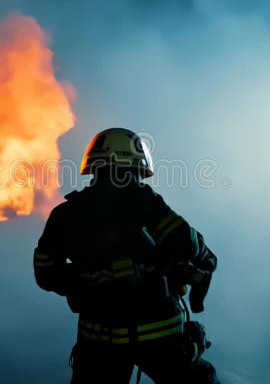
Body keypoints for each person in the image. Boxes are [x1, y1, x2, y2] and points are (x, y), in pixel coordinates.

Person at [33, 127, 220, 384]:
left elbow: (45, 273)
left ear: (95, 167)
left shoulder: (66, 215)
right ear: (134, 170)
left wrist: (89, 280)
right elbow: (186, 242)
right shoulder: (147, 205)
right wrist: (203, 258)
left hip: (98, 346)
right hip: (161, 340)